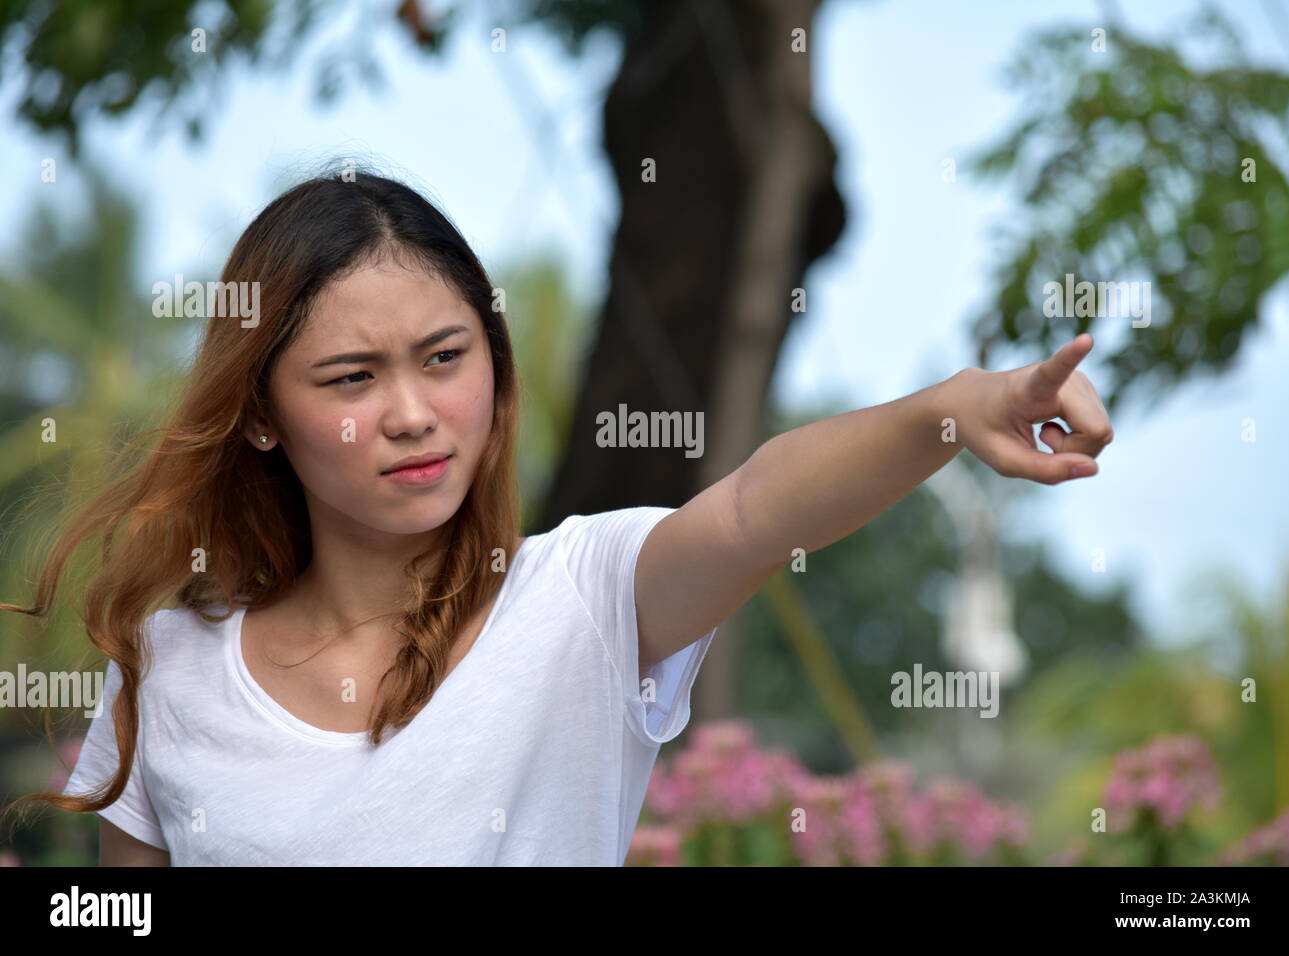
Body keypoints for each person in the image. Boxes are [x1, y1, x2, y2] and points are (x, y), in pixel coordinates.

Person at [3, 167, 1112, 866]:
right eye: (349, 378)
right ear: (258, 417)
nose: (411, 413)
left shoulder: (582, 597)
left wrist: (953, 411)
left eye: (445, 358)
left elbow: (759, 503)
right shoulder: (171, 665)